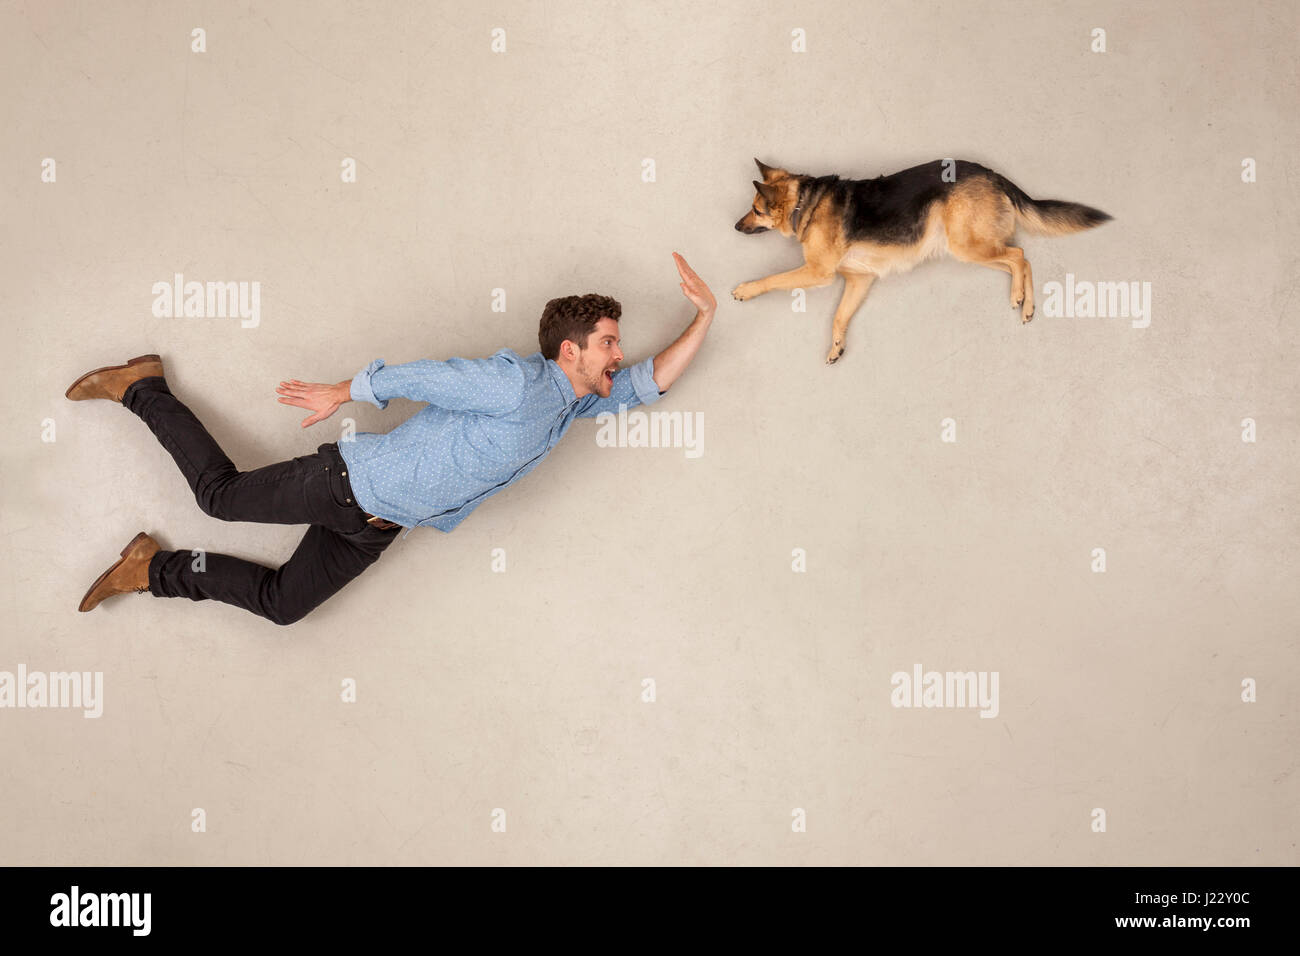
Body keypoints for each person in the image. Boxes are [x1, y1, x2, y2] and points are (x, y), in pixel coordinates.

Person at [69, 252, 717, 625]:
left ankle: (150, 569)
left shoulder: (564, 408)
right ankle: (141, 387)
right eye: (609, 343)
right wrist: (343, 391)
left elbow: (642, 386)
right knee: (219, 496)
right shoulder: (520, 386)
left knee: (284, 605)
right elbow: (433, 378)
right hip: (347, 484)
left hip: (380, 523)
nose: (619, 354)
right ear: (571, 351)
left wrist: (705, 316)